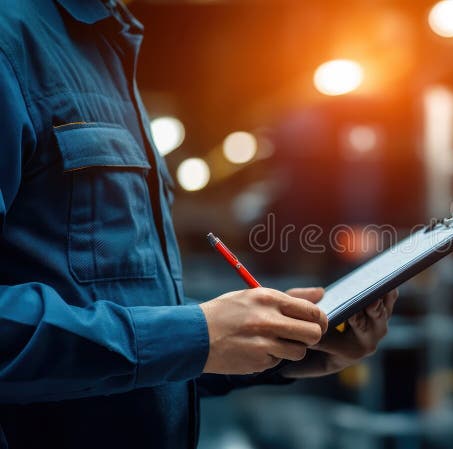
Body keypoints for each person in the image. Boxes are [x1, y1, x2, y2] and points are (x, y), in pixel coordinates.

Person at [0, 0, 398, 448]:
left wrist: (276, 347)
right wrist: (196, 334)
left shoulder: (105, 49)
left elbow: (127, 346)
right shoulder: (11, 40)